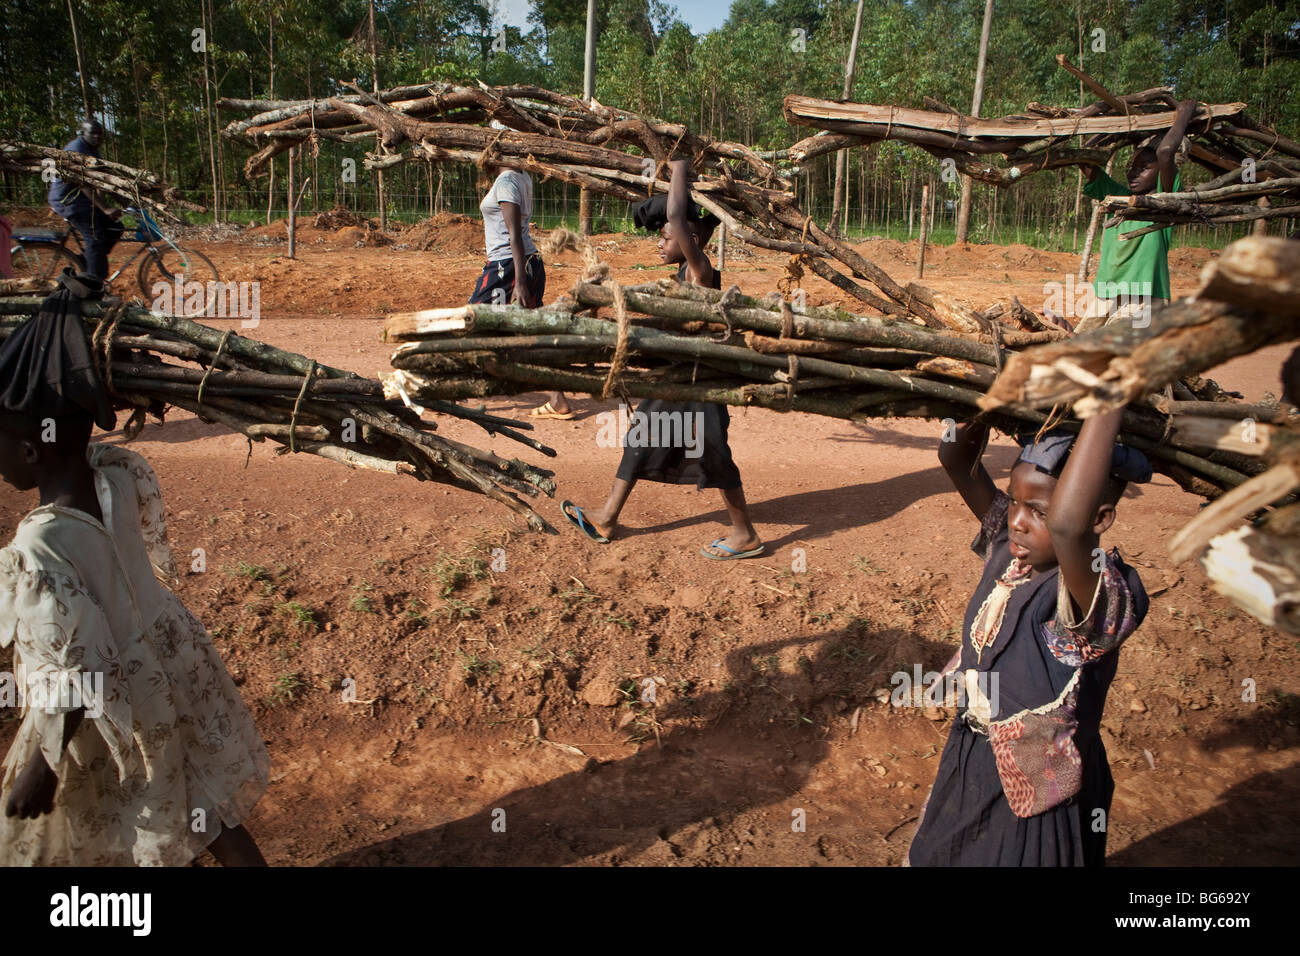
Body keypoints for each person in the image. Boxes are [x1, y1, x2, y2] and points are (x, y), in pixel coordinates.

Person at [0, 280, 270, 865]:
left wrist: (42, 767)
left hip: (115, 709)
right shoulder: (119, 473)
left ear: (28, 451)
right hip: (171, 663)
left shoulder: (38, 545)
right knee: (204, 806)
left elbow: (75, 668)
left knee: (129, 828)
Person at [906, 409, 1151, 866]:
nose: (1017, 519)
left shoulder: (1095, 594)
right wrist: (993, 391)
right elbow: (956, 457)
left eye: (1037, 510)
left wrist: (1108, 402)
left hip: (1041, 782)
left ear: (1099, 518)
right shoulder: (1009, 546)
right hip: (976, 756)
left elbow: (1068, 527)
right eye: (1015, 501)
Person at [560, 159, 763, 561]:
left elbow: (674, 211)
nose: (659, 242)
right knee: (640, 436)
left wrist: (679, 167)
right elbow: (673, 324)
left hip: (702, 383)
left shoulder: (701, 271)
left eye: (666, 237)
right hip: (679, 377)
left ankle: (745, 534)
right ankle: (607, 518)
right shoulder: (684, 273)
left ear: (690, 237)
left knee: (714, 453)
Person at [1076, 100, 1198, 332]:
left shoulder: (1165, 201)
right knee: (1083, 354)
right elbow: (1085, 159)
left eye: (1144, 167)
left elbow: (1165, 152)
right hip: (1106, 295)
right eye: (1131, 166)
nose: (1134, 172)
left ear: (1159, 171)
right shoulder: (1117, 196)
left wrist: (1184, 114)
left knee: (1122, 355)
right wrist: (1110, 125)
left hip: (1145, 297)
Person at [469, 157, 572, 420]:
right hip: (526, 264)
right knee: (529, 331)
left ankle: (442, 387)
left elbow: (514, 234)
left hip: (507, 268)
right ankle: (556, 398)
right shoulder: (522, 176)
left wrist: (520, 283)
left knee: (469, 320)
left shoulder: (507, 181)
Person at [47, 119, 124, 283]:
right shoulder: (76, 150)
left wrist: (127, 201)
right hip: (68, 200)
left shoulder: (93, 150)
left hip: (81, 199)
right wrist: (105, 209)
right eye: (93, 133)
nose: (97, 137)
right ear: (83, 133)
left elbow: (106, 180)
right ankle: (96, 284)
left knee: (115, 227)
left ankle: (85, 261)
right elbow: (84, 185)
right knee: (95, 238)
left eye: (100, 134)